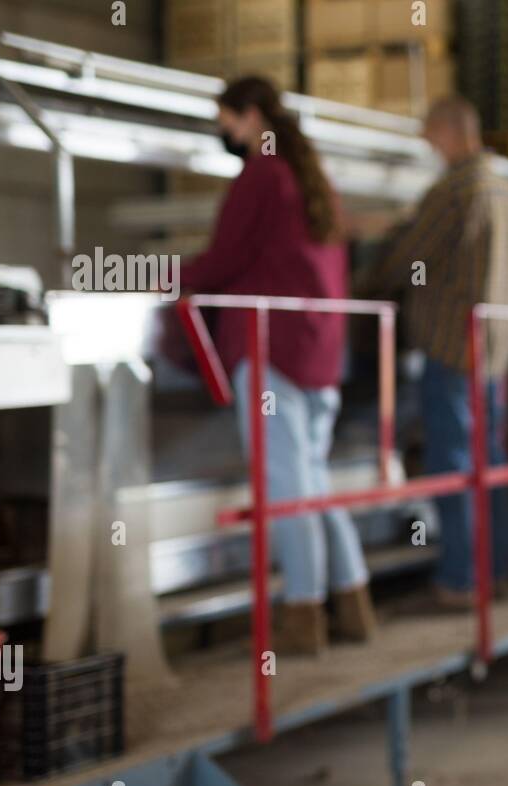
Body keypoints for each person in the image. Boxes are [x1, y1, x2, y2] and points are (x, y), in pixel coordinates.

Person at [180, 76, 376, 656]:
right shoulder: (309, 177)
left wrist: (163, 276)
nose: (223, 132)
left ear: (250, 115)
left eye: (226, 119)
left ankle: (302, 618)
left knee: (286, 493)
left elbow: (223, 259)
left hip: (272, 354)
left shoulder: (260, 176)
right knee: (312, 484)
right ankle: (354, 606)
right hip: (318, 355)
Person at [355, 96, 508, 612]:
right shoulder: (505, 186)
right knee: (488, 462)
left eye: (430, 137)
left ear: (449, 132)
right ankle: (495, 571)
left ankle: (460, 579)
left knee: (452, 463)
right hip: (494, 350)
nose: (429, 147)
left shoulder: (454, 189)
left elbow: (409, 256)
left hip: (452, 347)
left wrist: (363, 282)